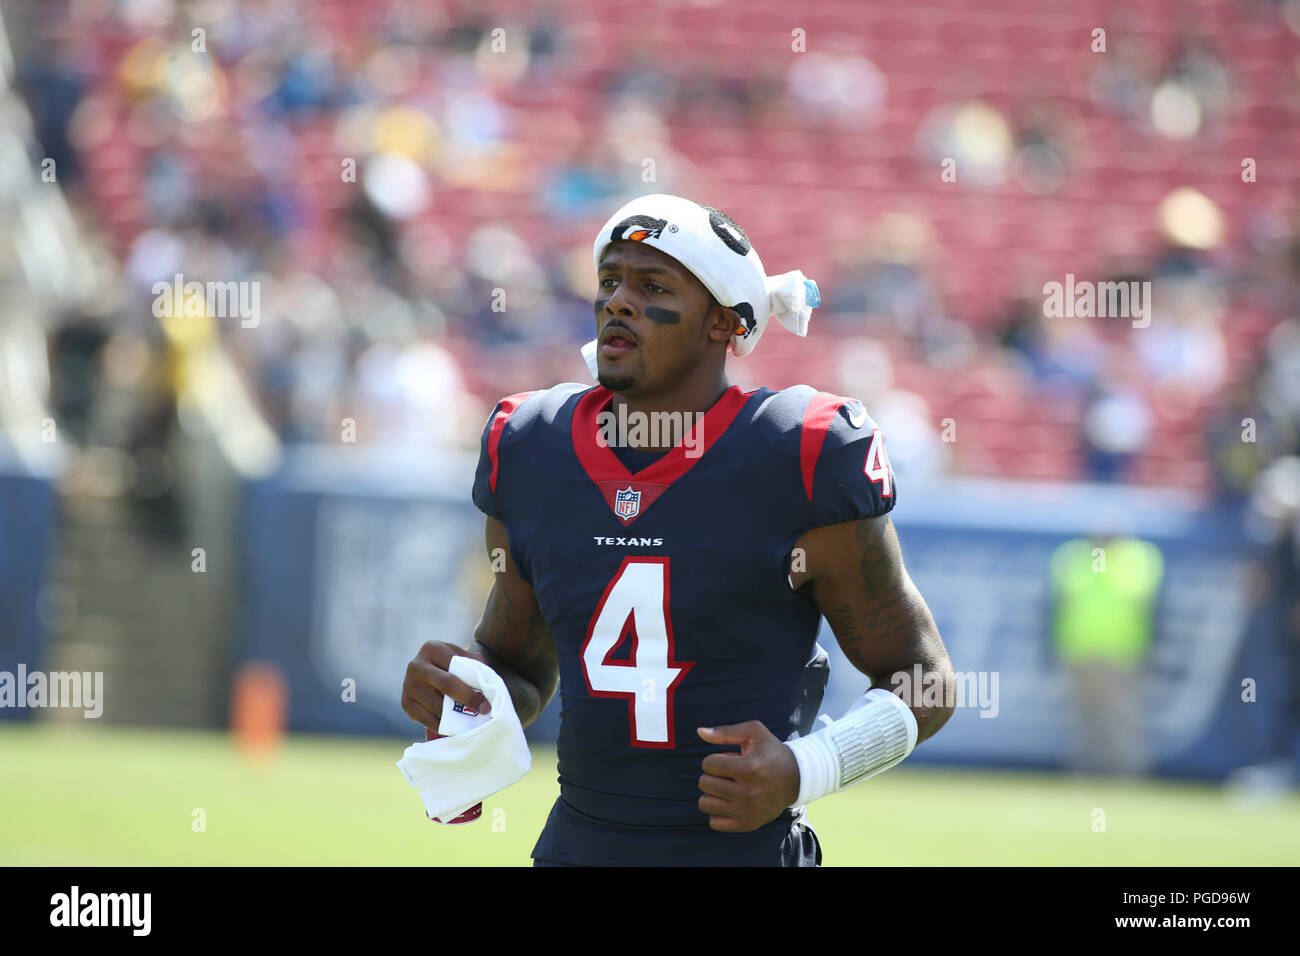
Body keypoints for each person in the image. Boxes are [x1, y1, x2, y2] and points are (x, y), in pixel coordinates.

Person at [400, 194, 955, 866]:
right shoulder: (529, 445)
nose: (617, 302)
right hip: (578, 848)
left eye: (652, 286)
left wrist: (807, 768)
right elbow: (520, 666)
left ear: (724, 322)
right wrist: (468, 692)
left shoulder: (798, 452)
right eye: (610, 281)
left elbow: (925, 680)